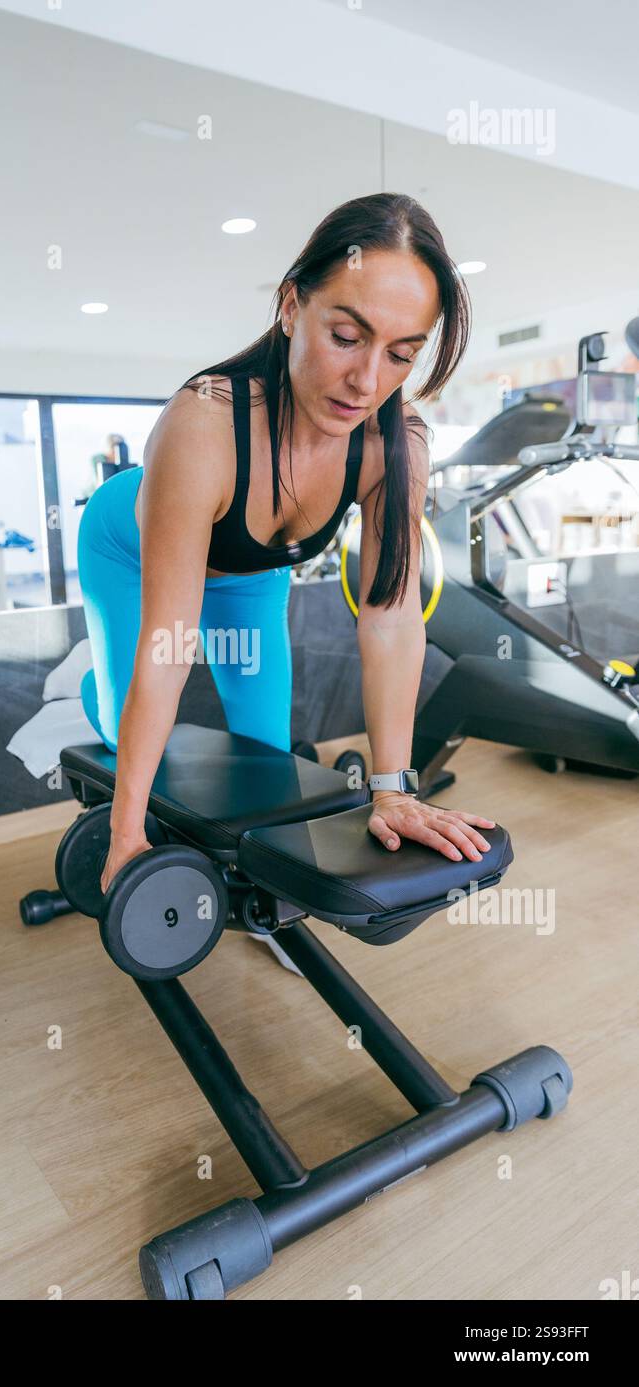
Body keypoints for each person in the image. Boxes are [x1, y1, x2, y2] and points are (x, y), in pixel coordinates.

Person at [76, 192, 496, 898]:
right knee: (129, 732)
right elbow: (168, 644)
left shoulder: (396, 445)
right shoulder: (204, 424)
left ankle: (265, 899)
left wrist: (393, 790)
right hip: (128, 541)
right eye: (346, 336)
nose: (368, 382)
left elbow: (390, 619)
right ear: (291, 305)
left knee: (266, 758)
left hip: (250, 569)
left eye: (401, 354)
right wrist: (126, 837)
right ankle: (96, 691)